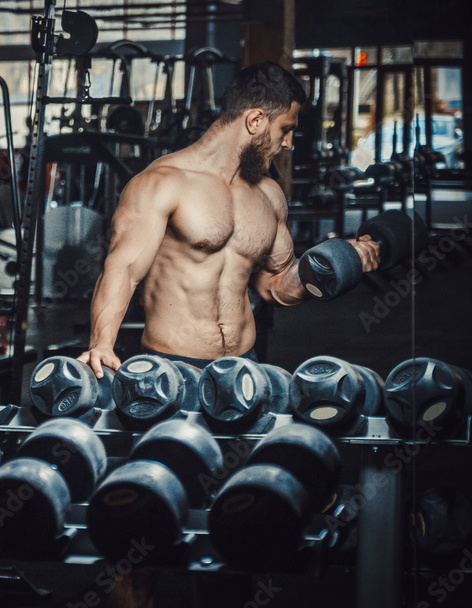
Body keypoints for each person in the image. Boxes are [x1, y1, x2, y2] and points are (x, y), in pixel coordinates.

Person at [79, 61, 381, 376]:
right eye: (286, 129)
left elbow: (274, 286)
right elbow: (124, 270)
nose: (289, 143)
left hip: (244, 365)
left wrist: (337, 262)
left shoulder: (269, 194)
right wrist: (102, 343)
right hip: (173, 367)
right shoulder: (162, 182)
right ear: (255, 120)